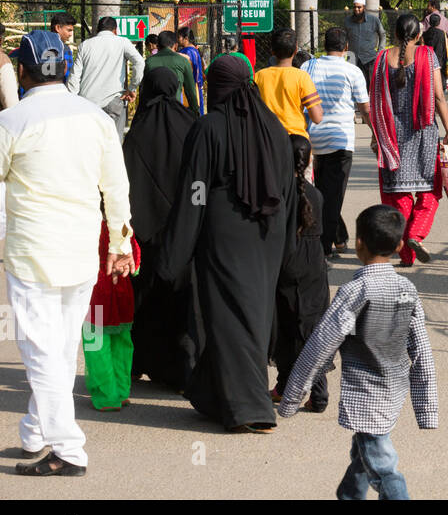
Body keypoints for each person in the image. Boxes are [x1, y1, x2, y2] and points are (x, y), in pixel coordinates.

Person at [1, 30, 134, 476]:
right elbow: (115, 186)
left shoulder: (12, 121)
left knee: (39, 349)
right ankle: (36, 432)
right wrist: (119, 243)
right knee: (57, 347)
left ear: (23, 71)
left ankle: (69, 448)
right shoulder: (93, 117)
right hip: (81, 253)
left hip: (32, 254)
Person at [156, 55, 298, 432]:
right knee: (251, 311)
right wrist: (286, 240)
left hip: (224, 234)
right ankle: (213, 395)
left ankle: (251, 409)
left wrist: (181, 240)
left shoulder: (209, 127)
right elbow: (288, 189)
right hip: (268, 233)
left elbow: (196, 189)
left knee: (229, 316)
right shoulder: (274, 127)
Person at [277, 204, 438, 500]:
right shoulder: (407, 289)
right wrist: (426, 406)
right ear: (400, 245)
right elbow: (422, 351)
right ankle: (349, 496)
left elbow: (320, 346)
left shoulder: (355, 292)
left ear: (359, 243)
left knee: (382, 465)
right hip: (394, 388)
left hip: (366, 391)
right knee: (365, 450)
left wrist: (291, 396)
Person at [123, 65, 199, 391]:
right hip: (184, 233)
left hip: (146, 234)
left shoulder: (137, 132)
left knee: (143, 299)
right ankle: (182, 369)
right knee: (180, 301)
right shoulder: (192, 126)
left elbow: (124, 182)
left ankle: (138, 363)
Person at [369, 13, 448, 267]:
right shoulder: (427, 55)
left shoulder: (382, 58)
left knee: (398, 197)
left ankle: (406, 254)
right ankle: (416, 234)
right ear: (419, 35)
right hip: (423, 130)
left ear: (395, 33)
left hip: (391, 134)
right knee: (430, 191)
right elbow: (438, 96)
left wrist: (375, 136)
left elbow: (375, 101)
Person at [271, 135, 330, 412]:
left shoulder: (279, 194)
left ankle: (285, 385)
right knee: (313, 328)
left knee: (287, 326)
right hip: (314, 264)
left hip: (287, 262)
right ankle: (318, 393)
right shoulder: (315, 194)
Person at [303, 27, 372, 259]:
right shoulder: (352, 71)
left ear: (325, 45)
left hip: (312, 138)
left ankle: (340, 238)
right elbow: (364, 108)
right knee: (332, 195)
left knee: (325, 192)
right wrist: (375, 133)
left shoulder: (307, 67)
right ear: (346, 47)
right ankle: (323, 247)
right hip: (340, 140)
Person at [82, 209, 142, 411]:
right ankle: (122, 391)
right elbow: (136, 262)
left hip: (96, 291)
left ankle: (106, 395)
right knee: (122, 342)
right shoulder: (123, 228)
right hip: (122, 290)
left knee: (96, 344)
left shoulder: (88, 226)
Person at [68, 15, 147, 141]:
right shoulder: (122, 42)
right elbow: (140, 62)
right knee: (114, 145)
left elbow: (74, 76)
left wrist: (73, 100)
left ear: (98, 30)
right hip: (113, 101)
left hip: (88, 103)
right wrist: (132, 88)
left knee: (90, 144)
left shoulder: (85, 45)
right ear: (115, 30)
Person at [254, 27, 323, 139]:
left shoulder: (259, 76)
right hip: (296, 139)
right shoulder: (301, 77)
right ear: (296, 50)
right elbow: (317, 117)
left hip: (267, 139)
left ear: (272, 51)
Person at [145, 30, 200, 113]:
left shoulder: (149, 62)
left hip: (154, 112)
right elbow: (190, 91)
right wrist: (195, 111)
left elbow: (145, 90)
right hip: (175, 110)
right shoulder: (183, 61)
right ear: (176, 46)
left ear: (158, 46)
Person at [344, 0, 387, 83]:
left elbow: (382, 34)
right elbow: (344, 37)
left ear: (364, 7)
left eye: (359, 7)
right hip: (352, 59)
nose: (356, 9)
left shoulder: (374, 20)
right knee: (352, 83)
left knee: (370, 85)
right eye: (355, 7)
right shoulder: (347, 21)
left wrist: (380, 50)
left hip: (369, 58)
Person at [176, 25, 206, 115]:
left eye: (179, 37)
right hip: (195, 87)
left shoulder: (188, 51)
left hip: (190, 88)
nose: (178, 39)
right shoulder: (193, 50)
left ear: (186, 38)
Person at [49, 12, 76, 83]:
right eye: (69, 30)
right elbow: (68, 77)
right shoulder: (65, 50)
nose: (70, 34)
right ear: (58, 28)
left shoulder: (37, 46)